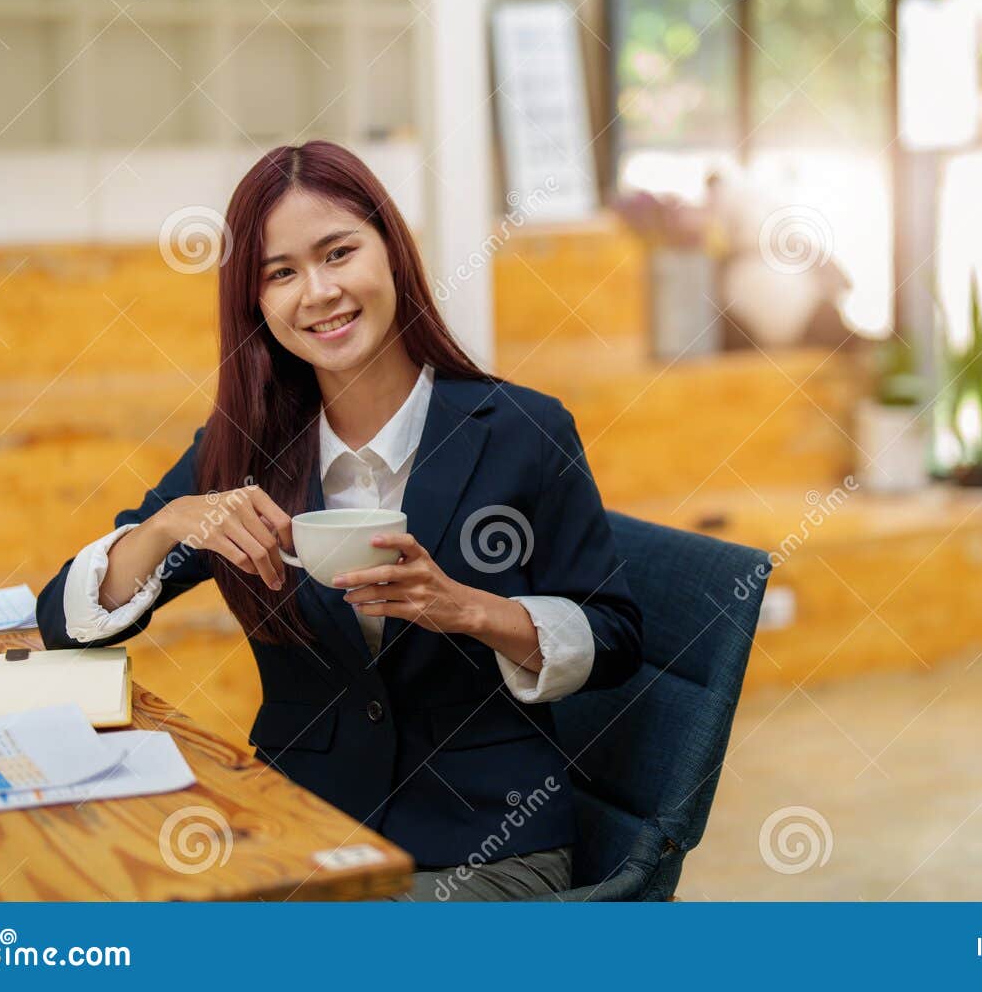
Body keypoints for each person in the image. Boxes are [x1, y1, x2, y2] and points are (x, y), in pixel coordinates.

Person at [36, 140, 642, 900]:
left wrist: (472, 610)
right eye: (280, 273)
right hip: (302, 831)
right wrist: (168, 526)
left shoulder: (522, 429)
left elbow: (615, 638)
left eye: (338, 252)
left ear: (392, 253)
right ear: (254, 303)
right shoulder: (243, 451)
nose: (316, 292)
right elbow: (64, 617)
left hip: (486, 843)